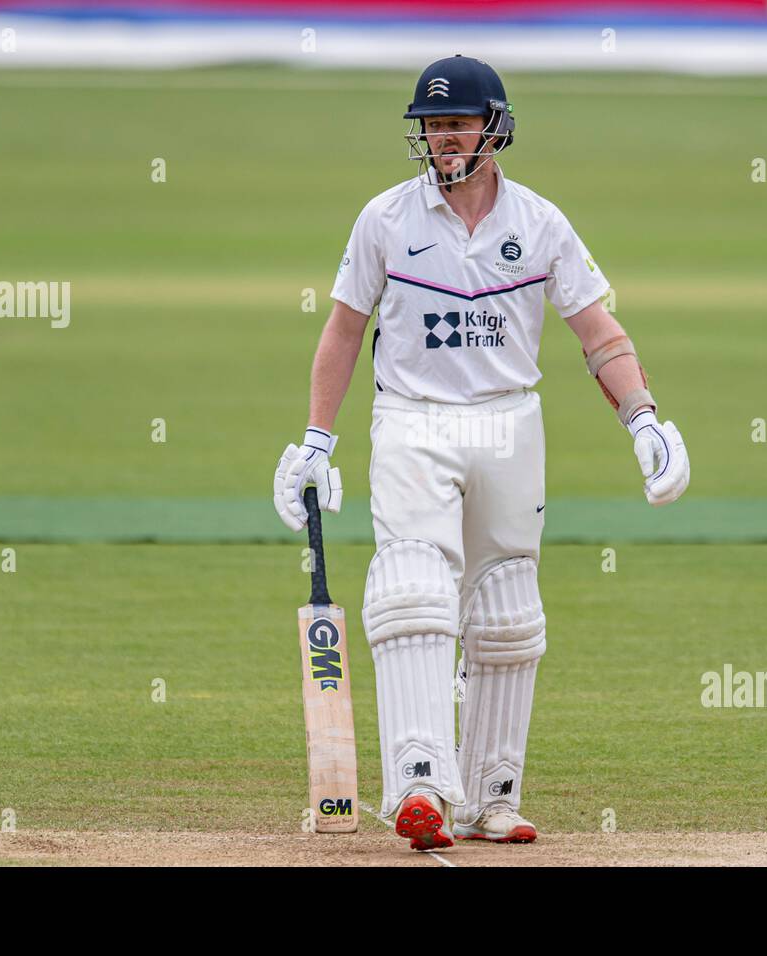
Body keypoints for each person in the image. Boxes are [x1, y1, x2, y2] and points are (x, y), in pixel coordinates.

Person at [273, 54, 689, 851]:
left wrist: (644, 421)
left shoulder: (541, 223)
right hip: (413, 421)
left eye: (457, 123)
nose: (442, 138)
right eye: (431, 125)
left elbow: (598, 333)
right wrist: (317, 440)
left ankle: (492, 797)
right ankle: (419, 784)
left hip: (509, 424)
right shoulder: (385, 219)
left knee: (506, 612)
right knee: (413, 590)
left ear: (494, 130)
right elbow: (344, 331)